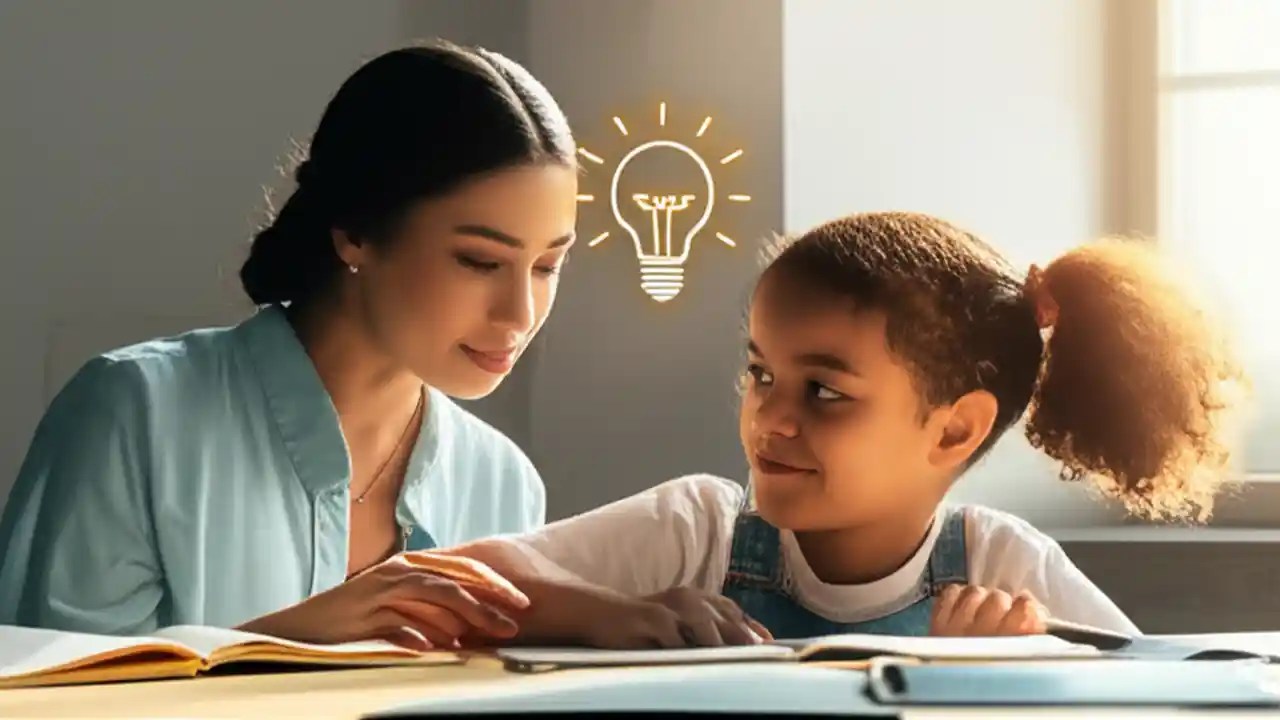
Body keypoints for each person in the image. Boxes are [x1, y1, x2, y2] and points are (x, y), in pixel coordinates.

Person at [0, 41, 579, 650]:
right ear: (356, 231)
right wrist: (285, 645)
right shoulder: (135, 415)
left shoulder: (503, 483)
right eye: (480, 260)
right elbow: (44, 701)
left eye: (547, 265)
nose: (521, 313)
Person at [448, 211, 1246, 647]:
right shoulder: (697, 532)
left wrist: (1021, 670)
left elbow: (1165, 691)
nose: (771, 417)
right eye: (761, 373)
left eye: (825, 391)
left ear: (953, 432)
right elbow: (440, 586)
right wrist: (598, 610)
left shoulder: (1004, 568)